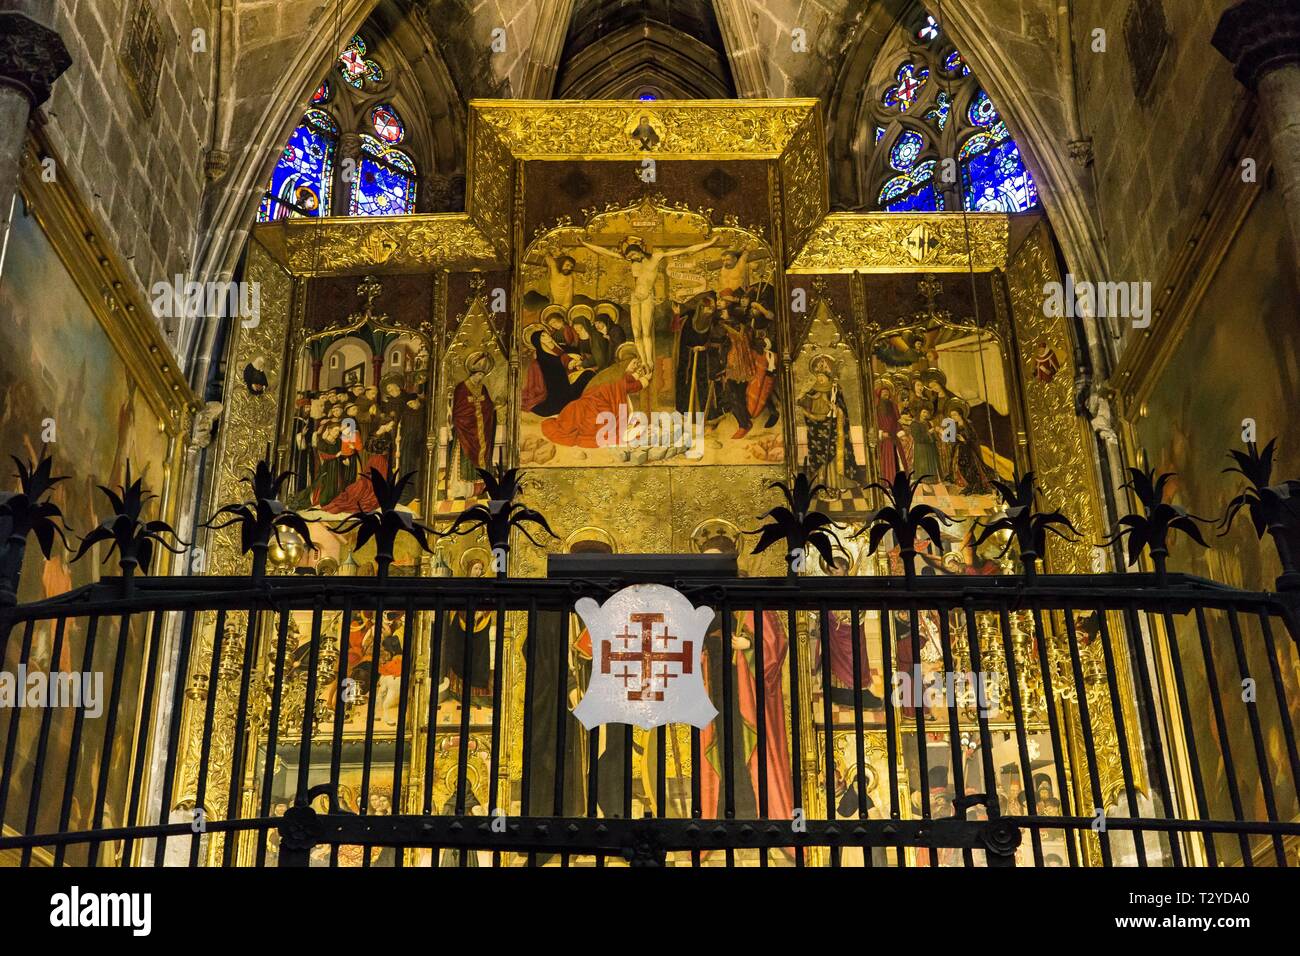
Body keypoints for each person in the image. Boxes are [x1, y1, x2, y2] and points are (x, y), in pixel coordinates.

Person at [580, 234, 719, 368]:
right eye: (629, 257)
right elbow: (605, 252)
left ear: (638, 251)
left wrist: (711, 243)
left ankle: (650, 362)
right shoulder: (632, 261)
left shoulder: (655, 257)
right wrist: (584, 243)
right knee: (636, 333)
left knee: (645, 332)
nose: (631, 258)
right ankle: (643, 361)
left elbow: (685, 250)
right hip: (635, 298)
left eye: (633, 255)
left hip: (647, 297)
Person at [451, 351, 496, 495]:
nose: (480, 378)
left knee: (483, 457)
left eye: (482, 375)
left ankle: (481, 487)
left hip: (482, 430)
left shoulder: (482, 388)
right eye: (478, 375)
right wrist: (474, 409)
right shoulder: (462, 388)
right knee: (465, 457)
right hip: (466, 431)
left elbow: (488, 405)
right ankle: (463, 491)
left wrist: (492, 408)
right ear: (472, 373)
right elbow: (458, 411)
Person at [522, 329, 595, 417]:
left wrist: (574, 363)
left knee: (589, 374)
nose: (547, 336)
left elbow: (566, 359)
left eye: (547, 334)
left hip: (566, 388)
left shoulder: (555, 350)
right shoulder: (540, 360)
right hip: (558, 395)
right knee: (588, 376)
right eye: (543, 336)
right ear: (538, 341)